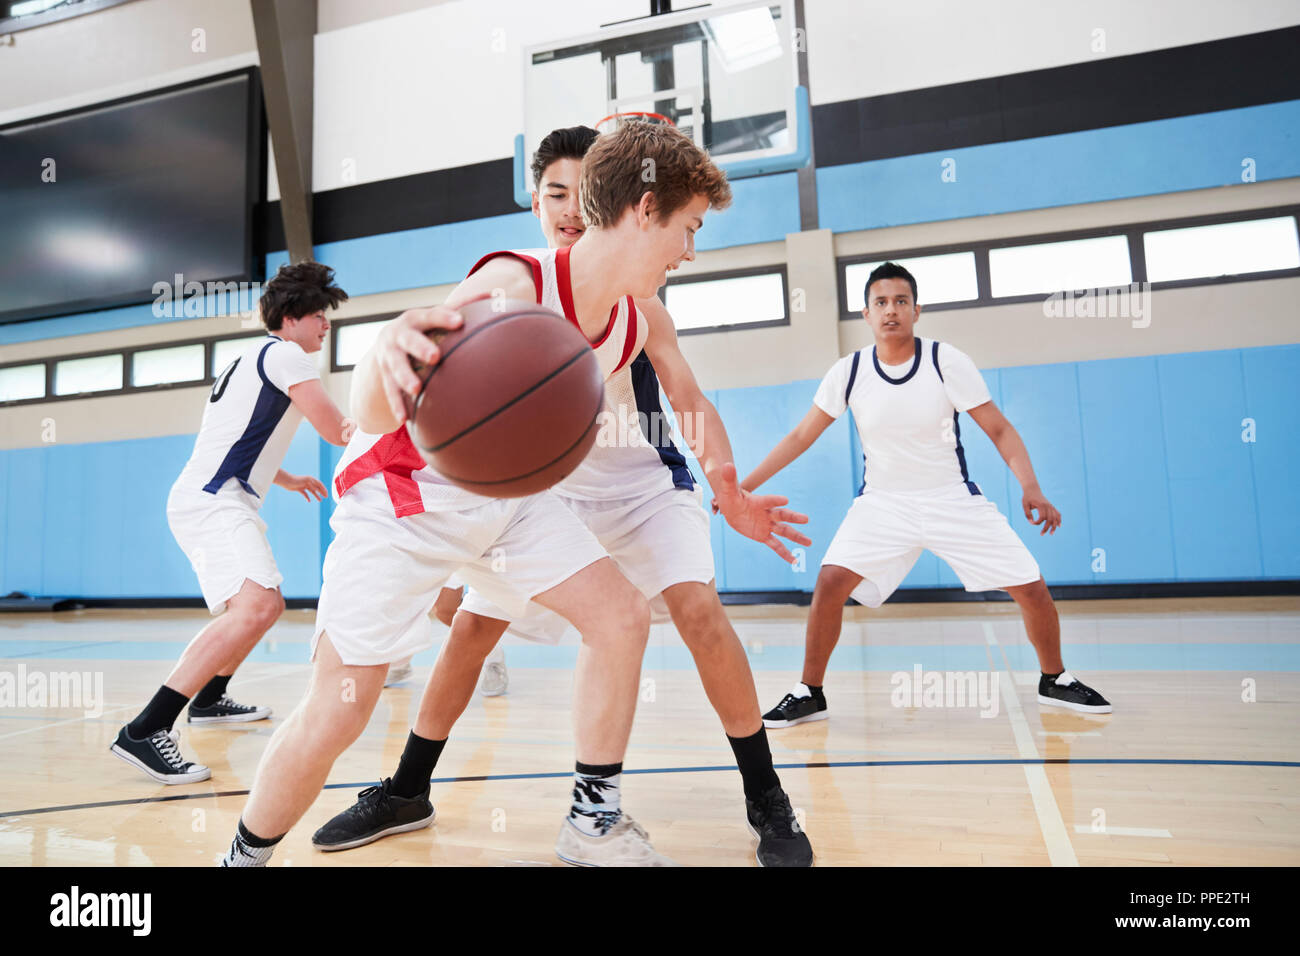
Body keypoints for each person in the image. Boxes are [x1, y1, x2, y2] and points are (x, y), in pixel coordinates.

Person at [219, 121, 801, 868]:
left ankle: (592, 821)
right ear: (646, 209)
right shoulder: (510, 286)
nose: (689, 251)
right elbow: (367, 415)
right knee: (343, 707)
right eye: (687, 229)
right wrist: (384, 352)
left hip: (512, 505)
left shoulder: (629, 322)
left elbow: (686, 400)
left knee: (621, 616)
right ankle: (244, 856)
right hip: (406, 502)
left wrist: (724, 482)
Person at [750, 261, 1112, 728]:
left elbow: (999, 429)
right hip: (883, 504)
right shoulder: (850, 371)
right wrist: (745, 487)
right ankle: (810, 691)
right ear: (866, 314)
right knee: (830, 583)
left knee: (1032, 587)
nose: (891, 311)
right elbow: (800, 436)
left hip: (951, 499)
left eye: (901, 301)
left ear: (916, 310)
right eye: (881, 302)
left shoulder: (946, 361)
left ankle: (1054, 679)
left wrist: (1031, 487)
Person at [110, 262, 356, 784]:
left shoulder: (251, 357)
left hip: (213, 498)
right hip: (213, 503)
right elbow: (338, 430)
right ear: (291, 319)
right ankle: (145, 729)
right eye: (318, 315)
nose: (325, 326)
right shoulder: (287, 355)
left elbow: (235, 435)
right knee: (259, 605)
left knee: (262, 609)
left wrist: (285, 479)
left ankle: (210, 699)